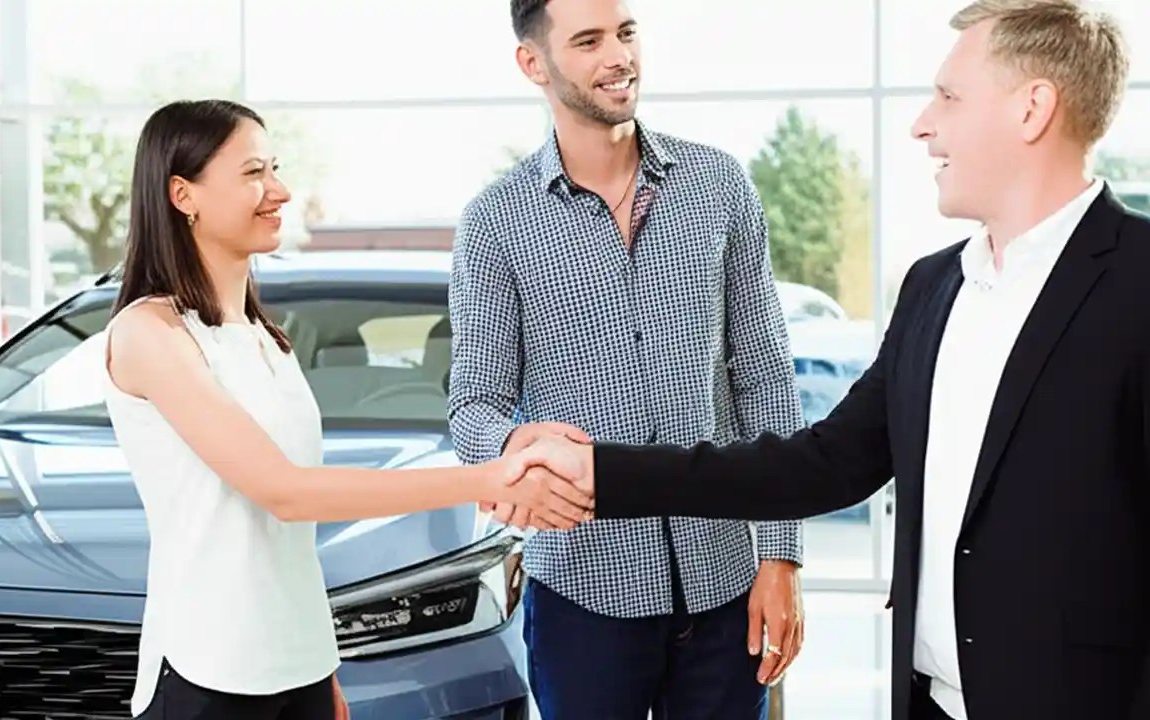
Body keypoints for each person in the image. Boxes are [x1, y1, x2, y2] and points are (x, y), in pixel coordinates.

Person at [519, 2, 1149, 719]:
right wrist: (599, 472)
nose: (923, 124)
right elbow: (823, 463)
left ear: (1032, 108)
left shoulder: (1138, 285)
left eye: (949, 97)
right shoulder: (935, 286)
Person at [102, 99, 594, 720]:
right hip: (210, 671)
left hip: (297, 665)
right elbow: (286, 492)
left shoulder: (263, 336)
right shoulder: (150, 333)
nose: (277, 190)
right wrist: (491, 477)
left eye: (274, 168)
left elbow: (288, 540)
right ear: (183, 194)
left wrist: (322, 664)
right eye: (253, 173)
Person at [447, 0, 807, 716]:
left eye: (626, 32)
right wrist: (514, 443)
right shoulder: (495, 221)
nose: (619, 56)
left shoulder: (720, 186)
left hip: (725, 578)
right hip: (582, 587)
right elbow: (473, 408)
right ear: (533, 63)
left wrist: (782, 555)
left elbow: (765, 378)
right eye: (588, 41)